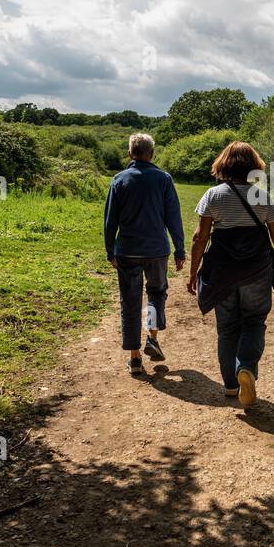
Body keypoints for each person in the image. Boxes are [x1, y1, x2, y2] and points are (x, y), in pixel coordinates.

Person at [185, 141, 274, 408]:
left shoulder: (213, 195)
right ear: (254, 167)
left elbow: (200, 237)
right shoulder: (262, 197)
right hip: (257, 270)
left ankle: (231, 386)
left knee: (227, 328)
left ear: (224, 165)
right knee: (254, 321)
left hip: (223, 272)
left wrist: (193, 271)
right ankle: (246, 367)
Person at [103, 133, 185, 376]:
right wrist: (179, 250)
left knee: (129, 301)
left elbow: (110, 221)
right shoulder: (164, 179)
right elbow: (173, 217)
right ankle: (152, 338)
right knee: (156, 293)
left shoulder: (119, 180)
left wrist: (110, 250)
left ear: (130, 153)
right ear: (151, 154)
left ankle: (135, 357)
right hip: (157, 250)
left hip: (127, 250)